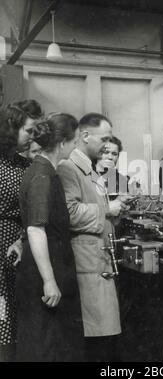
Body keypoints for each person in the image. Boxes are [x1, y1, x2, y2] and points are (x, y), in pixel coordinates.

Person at [57, 113, 127, 362]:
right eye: (104, 138)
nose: (108, 145)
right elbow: (69, 213)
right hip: (88, 264)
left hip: (99, 262)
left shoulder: (90, 169)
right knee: (95, 338)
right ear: (85, 136)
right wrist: (108, 209)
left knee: (104, 336)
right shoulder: (69, 168)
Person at [16, 113, 84, 362]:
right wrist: (49, 280)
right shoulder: (43, 175)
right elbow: (35, 228)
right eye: (75, 141)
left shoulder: (42, 171)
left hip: (49, 265)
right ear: (63, 143)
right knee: (45, 346)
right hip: (44, 271)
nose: (76, 146)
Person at [0, 102, 40, 362]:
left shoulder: (26, 165)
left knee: (15, 313)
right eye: (28, 130)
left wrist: (23, 239)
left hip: (18, 242)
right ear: (10, 129)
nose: (32, 136)